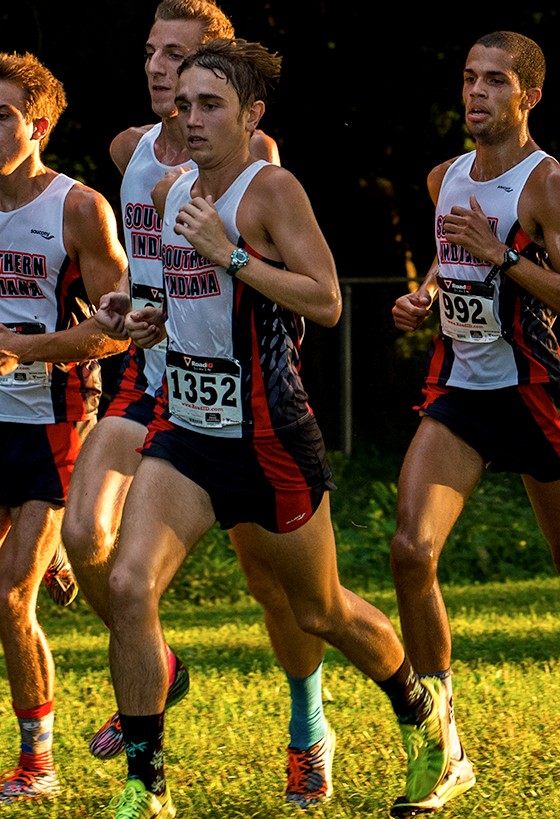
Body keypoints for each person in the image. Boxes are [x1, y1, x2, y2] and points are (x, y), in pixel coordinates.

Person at [95, 38, 451, 818]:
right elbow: (183, 301)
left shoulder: (271, 191)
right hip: (185, 431)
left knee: (320, 609)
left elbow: (326, 300)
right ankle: (145, 786)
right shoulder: (170, 190)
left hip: (268, 437)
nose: (191, 118)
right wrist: (142, 316)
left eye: (210, 104)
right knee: (127, 583)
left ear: (251, 115)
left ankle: (425, 717)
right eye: (184, 104)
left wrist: (229, 255)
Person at [58, 1, 335, 808]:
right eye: (150, 51)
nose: (156, 68)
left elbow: (282, 281)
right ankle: (157, 676)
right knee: (85, 535)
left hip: (234, 391)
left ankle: (307, 725)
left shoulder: (257, 165)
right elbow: (146, 269)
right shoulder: (128, 150)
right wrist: (127, 307)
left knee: (272, 584)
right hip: (151, 373)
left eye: (175, 56)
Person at [389, 30, 560, 816]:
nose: (475, 93)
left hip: (532, 390)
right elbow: (451, 259)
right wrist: (425, 296)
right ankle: (443, 747)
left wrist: (505, 257)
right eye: (468, 78)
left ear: (529, 96)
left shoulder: (547, 185)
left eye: (494, 81)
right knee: (410, 549)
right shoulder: (444, 177)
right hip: (459, 391)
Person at [0, 51, 130, 803]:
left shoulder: (79, 208)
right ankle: (54, 557)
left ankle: (37, 764)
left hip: (55, 418)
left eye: (2, 115)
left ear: (39, 126)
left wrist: (23, 350)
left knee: (9, 597)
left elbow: (117, 332)